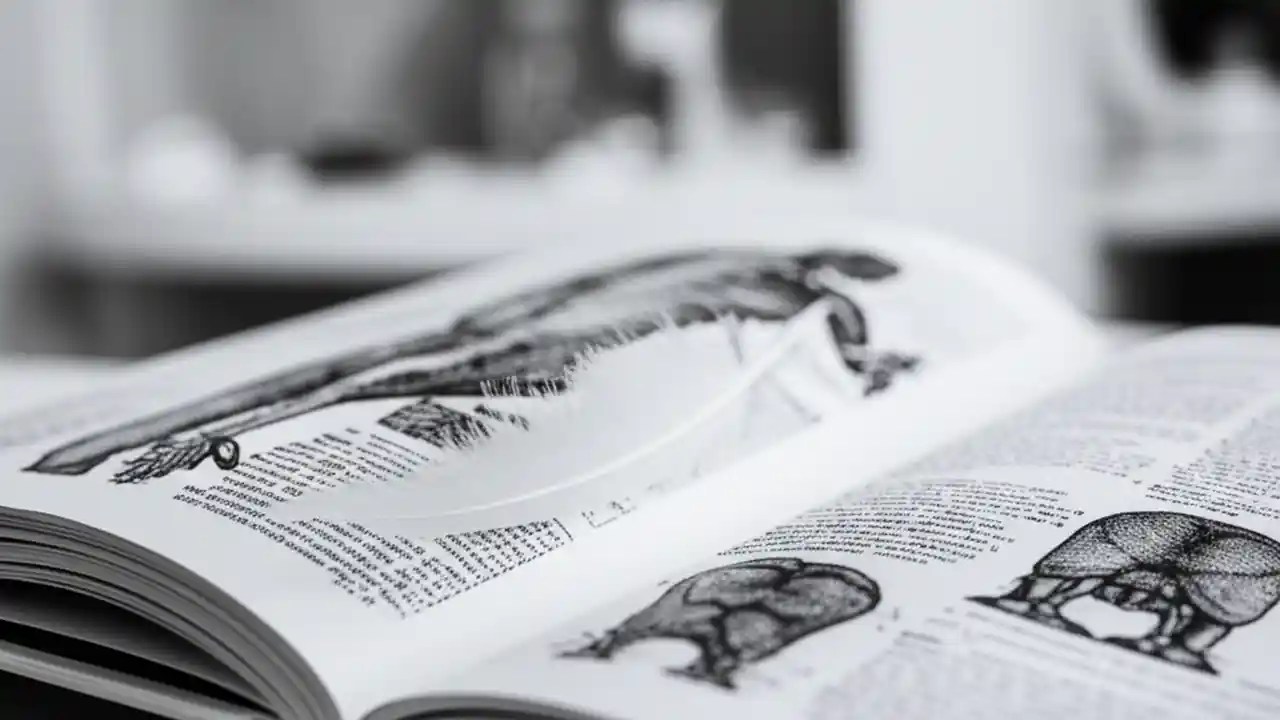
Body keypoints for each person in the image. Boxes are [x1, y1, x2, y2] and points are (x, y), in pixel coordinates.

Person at [26, 248, 918, 483]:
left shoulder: (800, 307)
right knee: (355, 376)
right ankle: (129, 445)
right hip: (536, 335)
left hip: (546, 345)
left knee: (376, 383)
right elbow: (609, 290)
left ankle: (183, 438)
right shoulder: (777, 286)